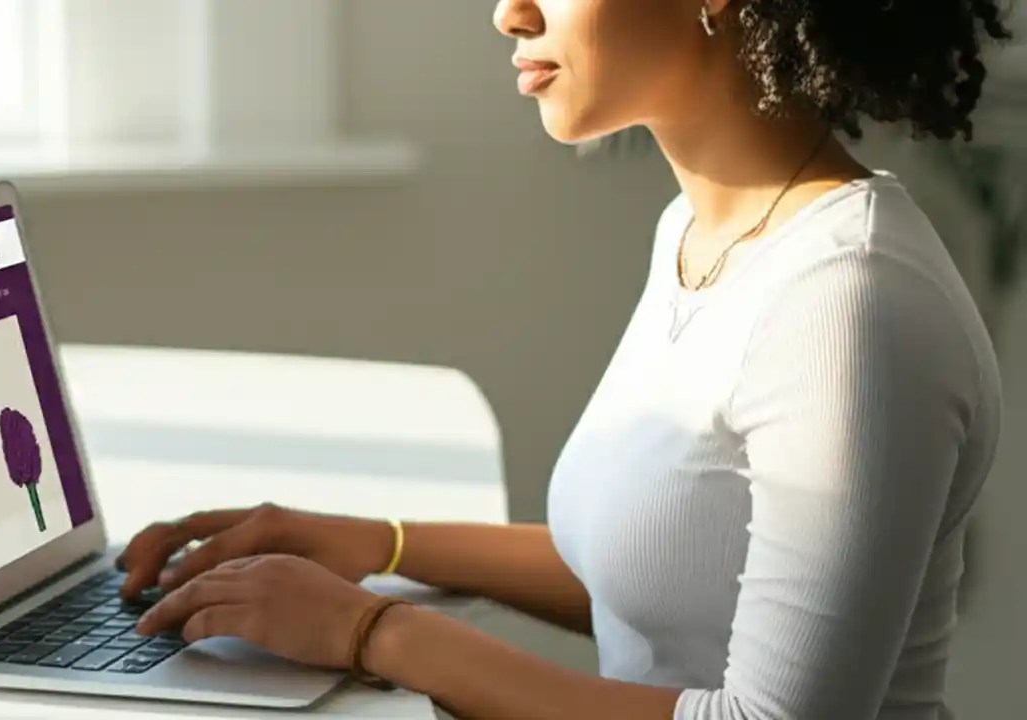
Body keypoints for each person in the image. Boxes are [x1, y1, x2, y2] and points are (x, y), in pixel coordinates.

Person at [119, 1, 1010, 717]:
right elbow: (668, 570)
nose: (509, 14)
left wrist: (370, 632)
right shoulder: (702, 233)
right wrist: (376, 543)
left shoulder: (849, 301)